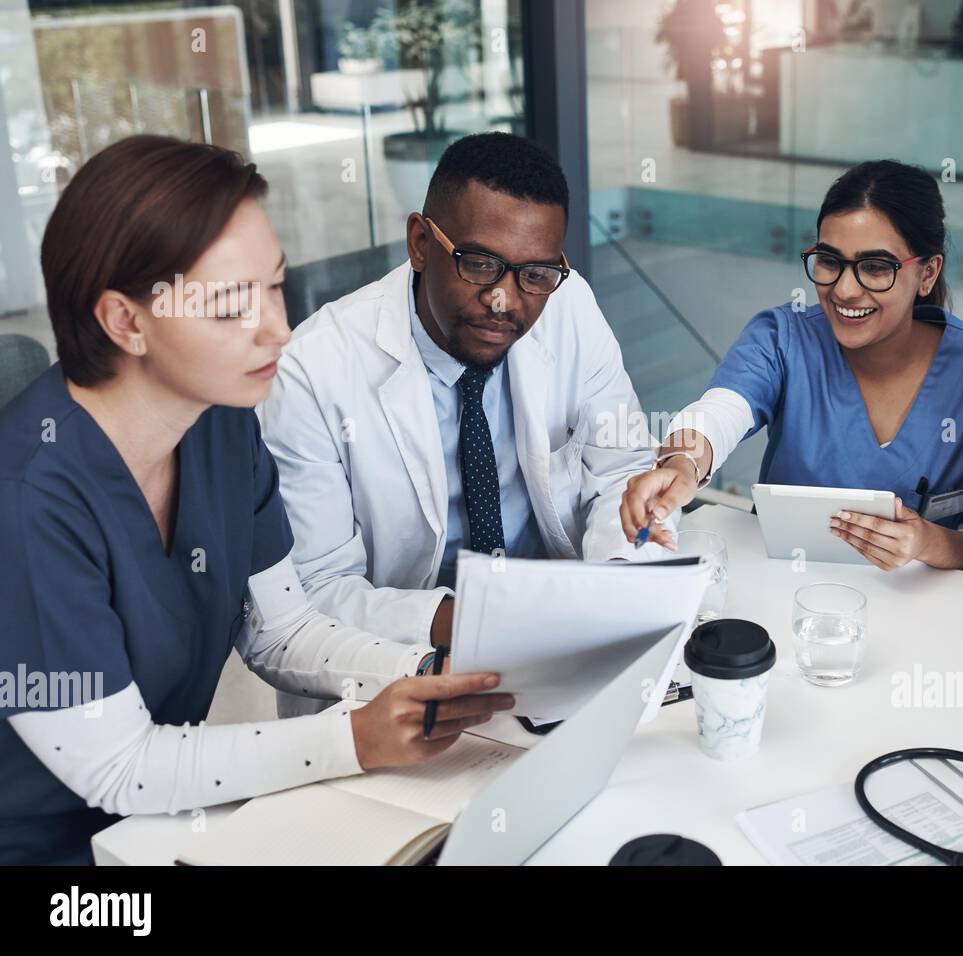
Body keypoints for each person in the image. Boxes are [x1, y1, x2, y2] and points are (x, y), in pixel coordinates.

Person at [0, 135, 514, 865]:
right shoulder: (28, 501)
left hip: (168, 820)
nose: (277, 327)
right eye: (233, 303)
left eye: (274, 286)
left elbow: (280, 632)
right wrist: (350, 740)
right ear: (125, 321)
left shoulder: (221, 423)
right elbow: (118, 766)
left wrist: (427, 673)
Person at [260, 132, 665, 715]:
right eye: (480, 264)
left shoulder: (567, 304)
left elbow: (623, 470)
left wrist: (610, 588)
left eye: (536, 274)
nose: (506, 301)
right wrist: (487, 622)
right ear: (420, 242)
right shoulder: (312, 369)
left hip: (554, 656)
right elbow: (314, 593)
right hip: (398, 678)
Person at [620, 160, 963, 572]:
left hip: (924, 610)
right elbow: (721, 411)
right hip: (783, 591)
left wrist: (926, 541)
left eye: (876, 267)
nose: (844, 289)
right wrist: (683, 463)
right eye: (829, 260)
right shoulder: (784, 338)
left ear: (928, 273)